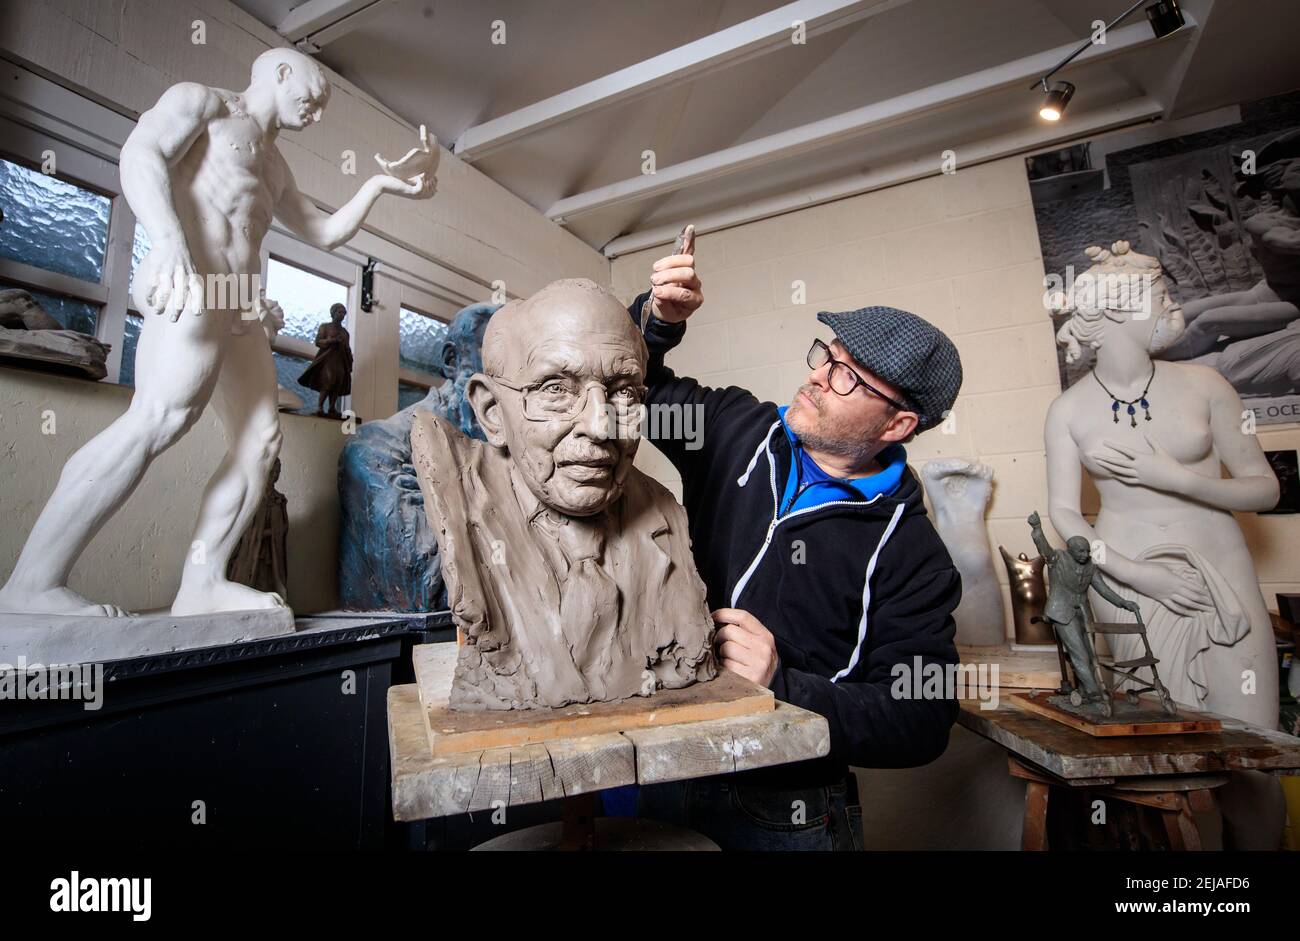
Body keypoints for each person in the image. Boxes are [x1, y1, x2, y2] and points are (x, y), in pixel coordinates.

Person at [0, 48, 434, 618]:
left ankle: (200, 584)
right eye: (314, 93)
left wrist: (379, 184)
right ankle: (33, 582)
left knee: (260, 444)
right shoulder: (200, 102)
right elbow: (141, 153)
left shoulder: (276, 167)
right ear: (281, 72)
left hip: (239, 308)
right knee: (159, 418)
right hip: (192, 286)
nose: (318, 110)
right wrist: (169, 241)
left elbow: (324, 233)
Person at [628, 241, 964, 850]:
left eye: (846, 376)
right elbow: (633, 390)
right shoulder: (734, 430)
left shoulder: (912, 554)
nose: (816, 374)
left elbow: (923, 716)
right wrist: (658, 323)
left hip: (785, 810)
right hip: (663, 765)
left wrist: (783, 684)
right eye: (825, 355)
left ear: (897, 425)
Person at [300, 302, 353, 418]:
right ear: (333, 313)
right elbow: (318, 341)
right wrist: (331, 341)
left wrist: (347, 353)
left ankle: (332, 407)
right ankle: (320, 406)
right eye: (340, 312)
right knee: (328, 382)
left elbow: (348, 347)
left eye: (344, 313)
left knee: (338, 384)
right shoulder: (325, 327)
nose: (342, 315)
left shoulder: (345, 333)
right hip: (328, 359)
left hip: (340, 360)